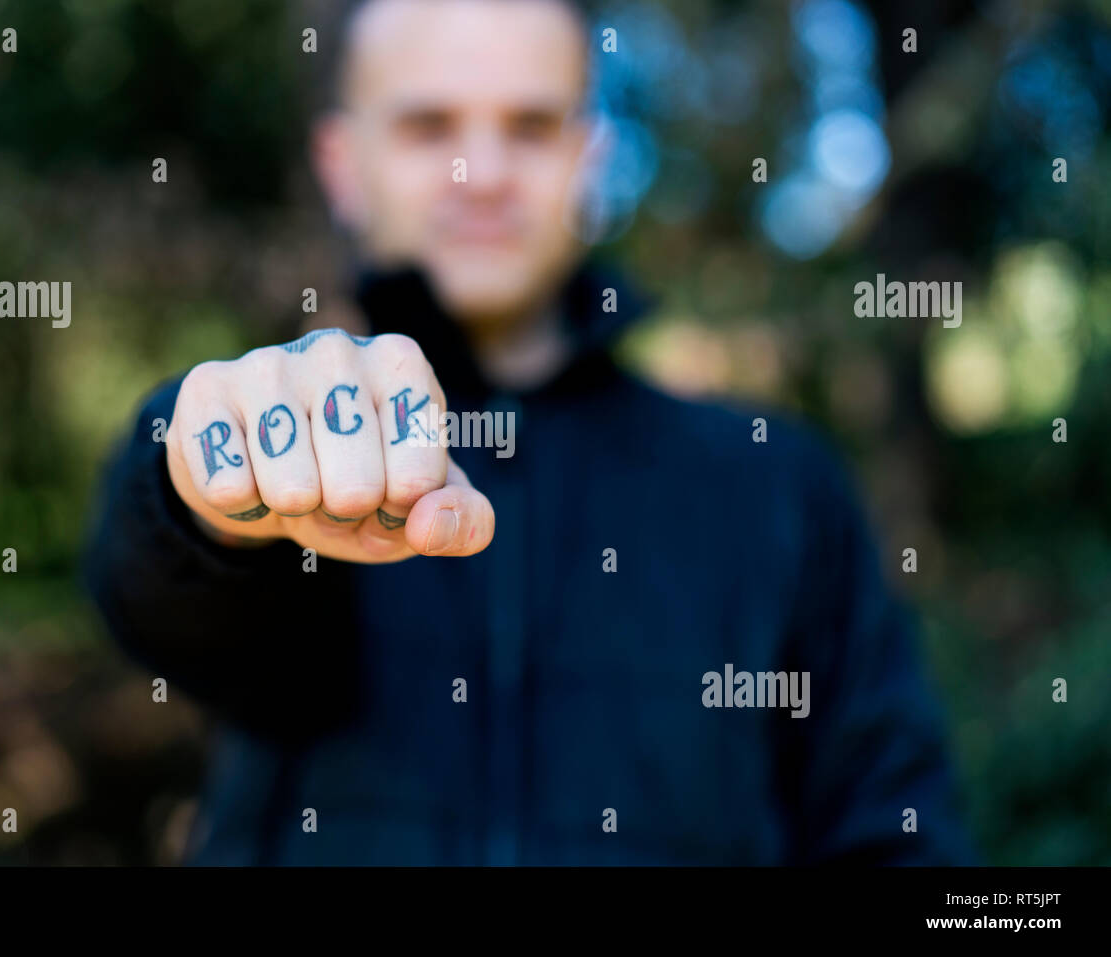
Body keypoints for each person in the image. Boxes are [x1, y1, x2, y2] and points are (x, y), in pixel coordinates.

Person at [82, 0, 974, 864]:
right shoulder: (300, 452)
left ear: (591, 158)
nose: (484, 172)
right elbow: (163, 603)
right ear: (342, 165)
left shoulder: (775, 486)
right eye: (430, 127)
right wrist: (200, 497)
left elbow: (896, 831)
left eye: (531, 126)